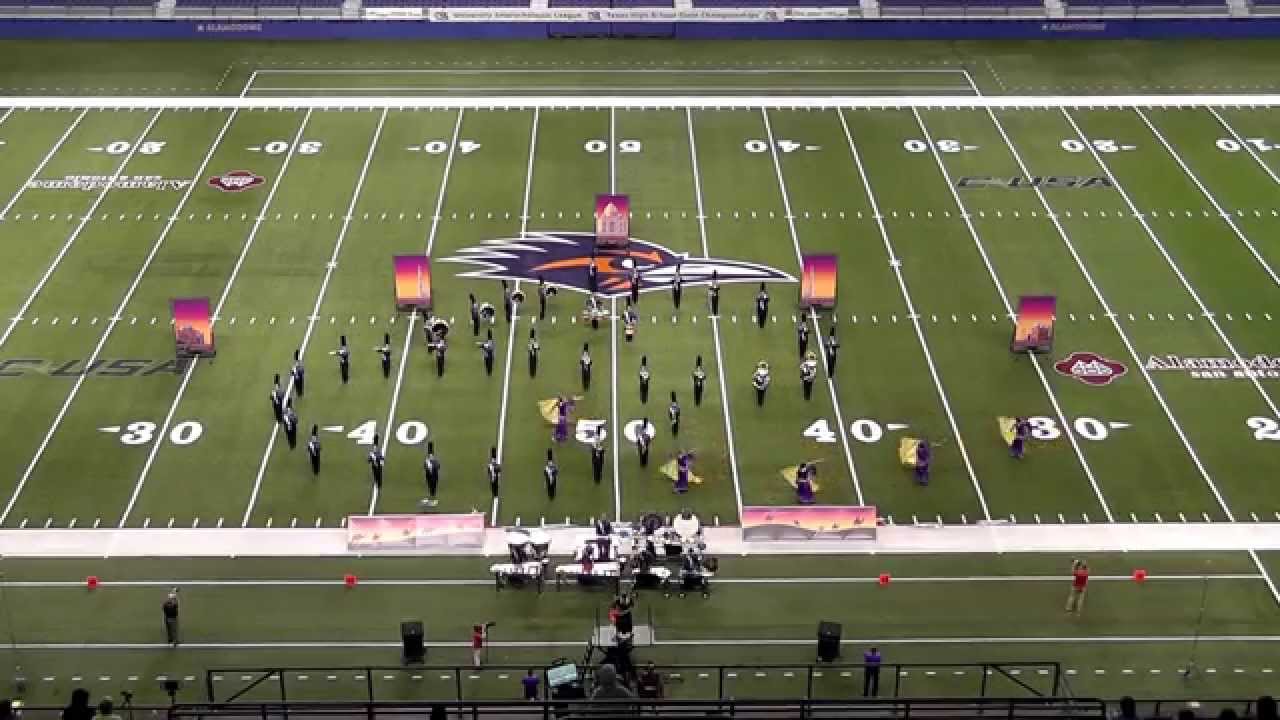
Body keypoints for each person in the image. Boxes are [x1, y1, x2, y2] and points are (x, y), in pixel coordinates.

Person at [422, 441, 440, 507]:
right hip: (431, 476)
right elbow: (426, 468)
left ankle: (433, 496)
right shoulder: (429, 461)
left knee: (433, 486)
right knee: (431, 486)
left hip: (433, 476)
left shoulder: (434, 462)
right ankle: (432, 495)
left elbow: (438, 467)